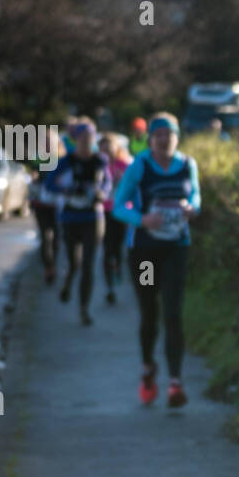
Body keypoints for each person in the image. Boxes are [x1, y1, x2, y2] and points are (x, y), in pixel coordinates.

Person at [111, 113, 201, 407]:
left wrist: (191, 208)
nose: (164, 139)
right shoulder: (141, 165)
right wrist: (141, 219)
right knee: (150, 311)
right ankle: (148, 367)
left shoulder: (187, 165)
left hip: (176, 247)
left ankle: (175, 383)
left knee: (173, 313)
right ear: (151, 139)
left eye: (169, 134)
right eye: (158, 134)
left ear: (177, 137)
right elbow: (117, 206)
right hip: (145, 252)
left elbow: (197, 197)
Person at [47, 119, 112, 326]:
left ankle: (84, 309)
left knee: (89, 266)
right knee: (75, 263)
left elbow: (108, 182)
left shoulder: (100, 160)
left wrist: (102, 193)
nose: (87, 142)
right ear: (76, 140)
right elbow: (50, 184)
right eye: (83, 138)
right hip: (70, 217)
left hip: (93, 217)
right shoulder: (66, 161)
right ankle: (67, 283)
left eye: (90, 138)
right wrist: (66, 190)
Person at [98, 132, 132, 305]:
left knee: (117, 248)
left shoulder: (124, 165)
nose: (106, 153)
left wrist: (121, 181)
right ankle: (109, 287)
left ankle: (117, 271)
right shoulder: (97, 165)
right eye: (103, 149)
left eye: (109, 149)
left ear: (116, 149)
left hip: (121, 212)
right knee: (106, 250)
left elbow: (133, 188)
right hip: (102, 213)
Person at [29, 125, 65, 286]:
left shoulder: (63, 160)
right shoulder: (37, 159)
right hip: (41, 204)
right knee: (45, 237)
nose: (47, 145)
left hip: (58, 205)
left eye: (50, 142)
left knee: (57, 237)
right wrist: (34, 178)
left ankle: (54, 265)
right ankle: (48, 267)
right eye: (44, 142)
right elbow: (33, 177)